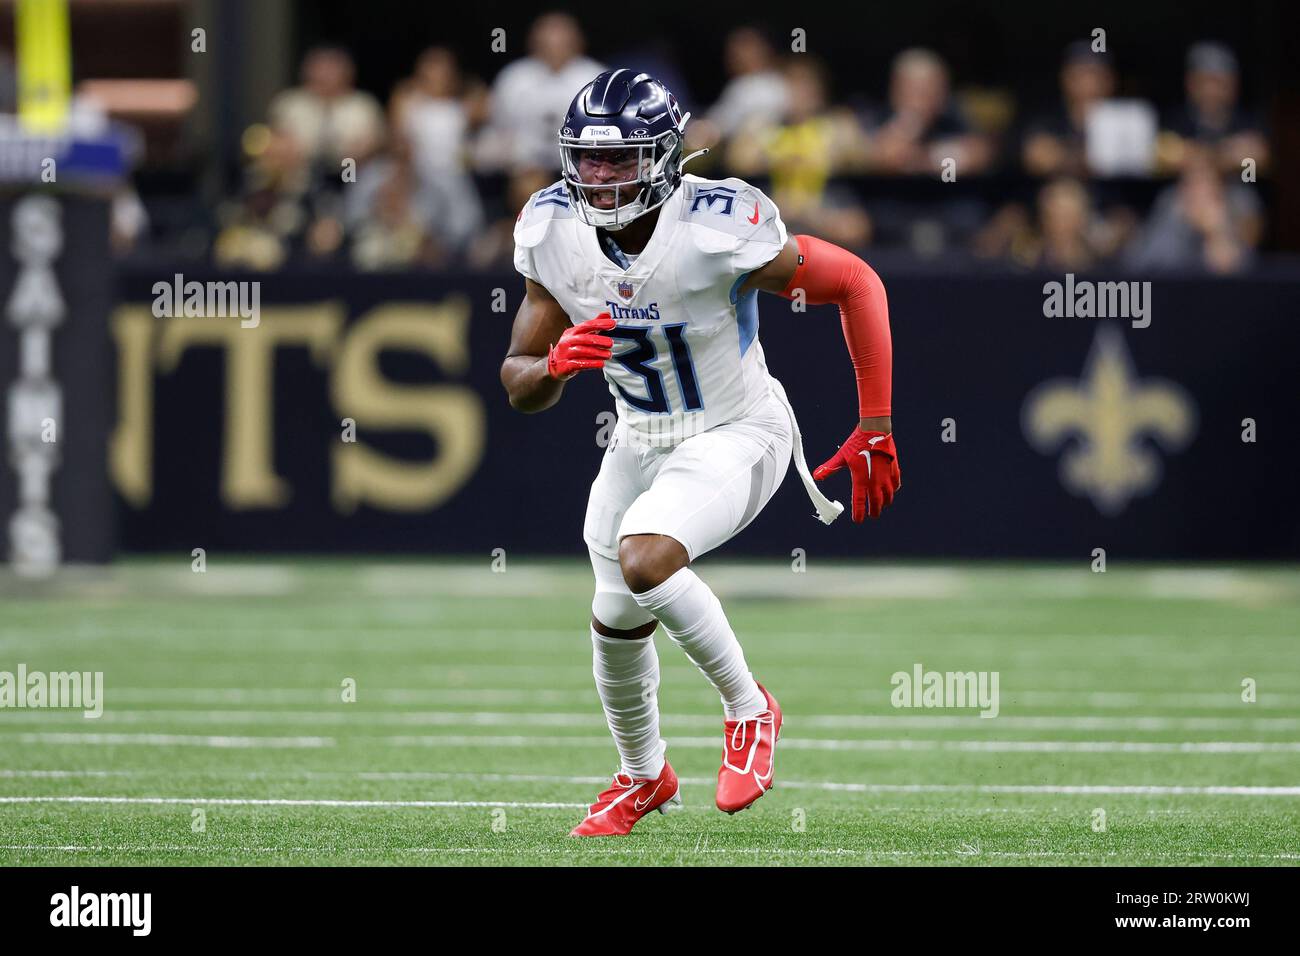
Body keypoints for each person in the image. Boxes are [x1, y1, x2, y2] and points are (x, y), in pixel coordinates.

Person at [500, 71, 900, 837]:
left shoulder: (719, 225)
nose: (598, 178)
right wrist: (551, 368)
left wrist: (875, 422)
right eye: (586, 159)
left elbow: (856, 281)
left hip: (737, 428)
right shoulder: (551, 229)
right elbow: (517, 382)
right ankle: (644, 776)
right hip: (639, 437)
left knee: (646, 557)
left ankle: (751, 711)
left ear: (662, 157)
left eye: (618, 162)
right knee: (615, 615)